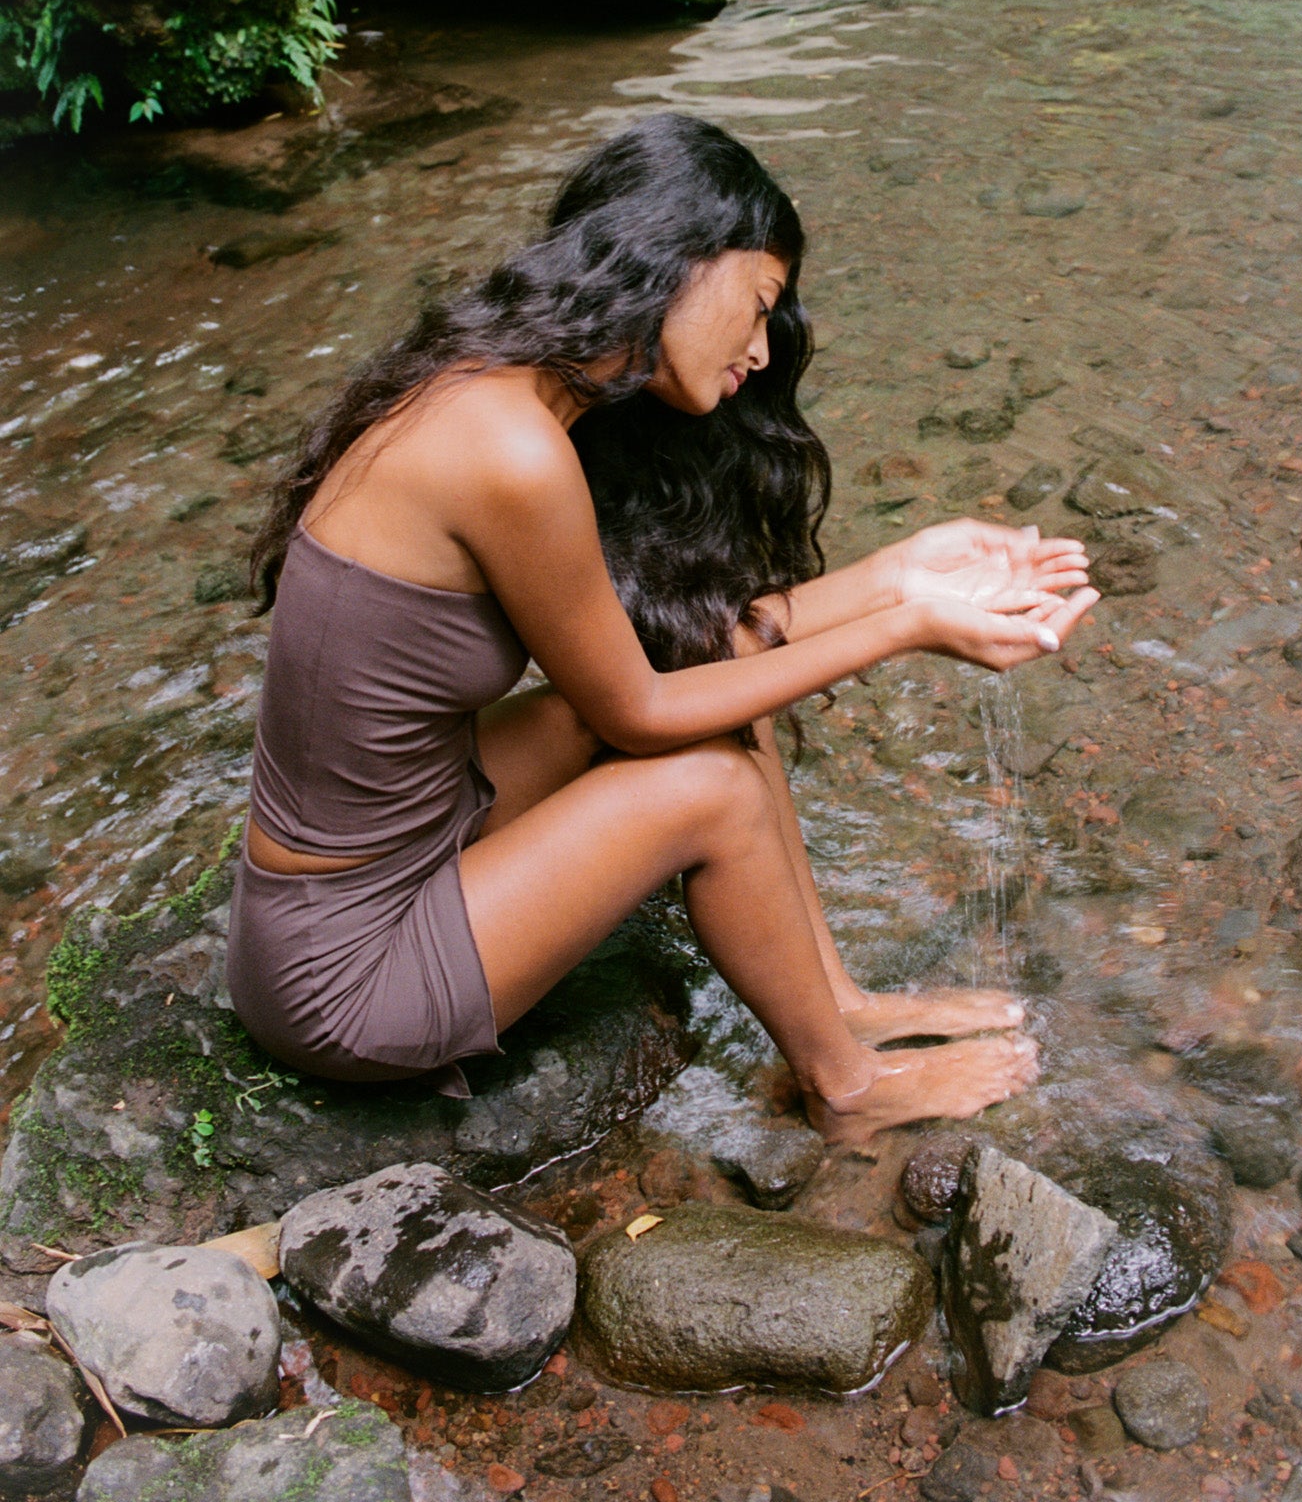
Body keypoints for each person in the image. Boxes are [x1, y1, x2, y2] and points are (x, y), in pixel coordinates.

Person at [227, 114, 1097, 1145]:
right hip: (342, 966)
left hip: (396, 848)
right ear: (676, 259)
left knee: (715, 688)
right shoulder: (511, 452)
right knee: (711, 789)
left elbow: (679, 667)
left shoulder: (493, 391)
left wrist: (895, 573)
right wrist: (905, 625)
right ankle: (847, 1087)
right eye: (760, 305)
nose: (761, 350)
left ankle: (837, 1000)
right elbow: (640, 714)